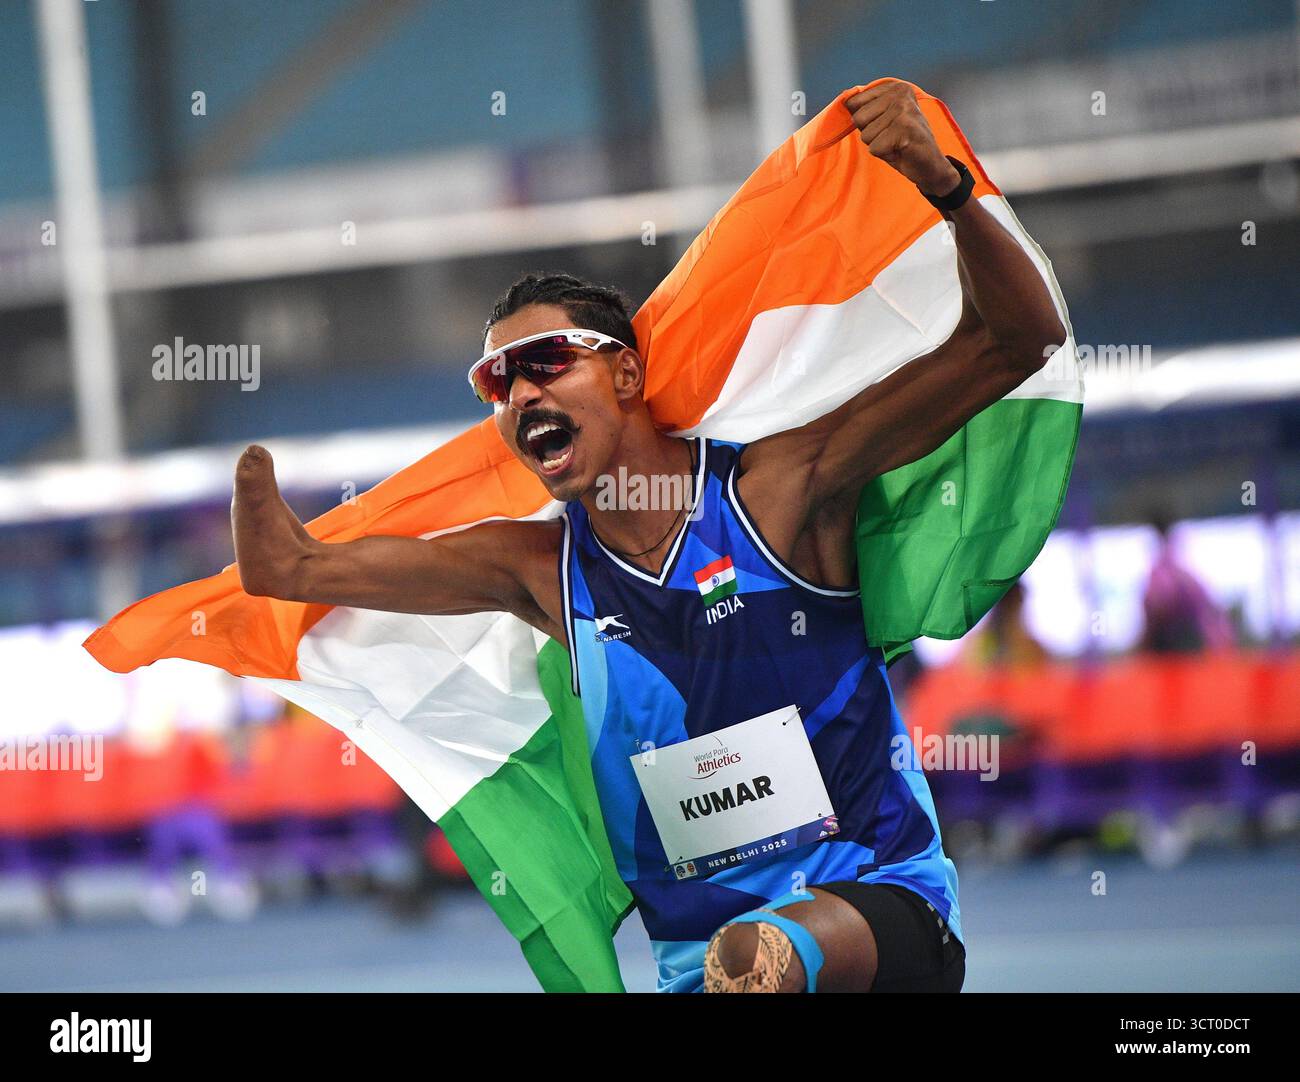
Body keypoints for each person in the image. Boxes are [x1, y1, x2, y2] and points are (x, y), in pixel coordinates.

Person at [229, 81, 1066, 993]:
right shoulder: (543, 573)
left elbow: (1017, 340)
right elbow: (300, 570)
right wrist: (277, 552)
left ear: (626, 373)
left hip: (876, 908)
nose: (520, 395)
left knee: (758, 957)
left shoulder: (778, 492)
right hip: (695, 969)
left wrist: (944, 188)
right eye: (496, 383)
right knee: (735, 962)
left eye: (546, 362)